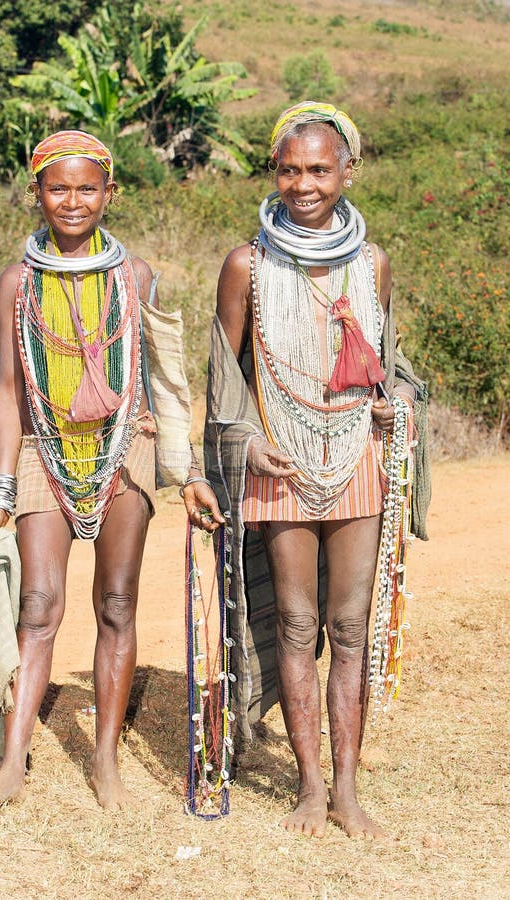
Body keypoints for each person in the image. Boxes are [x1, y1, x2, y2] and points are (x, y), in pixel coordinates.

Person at [0, 130, 223, 813]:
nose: (71, 202)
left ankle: (105, 760)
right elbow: (8, 389)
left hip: (121, 452)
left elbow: (164, 377)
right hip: (44, 448)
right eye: (56, 187)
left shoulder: (133, 276)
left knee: (116, 604)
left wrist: (181, 466)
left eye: (85, 188)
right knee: (39, 606)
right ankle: (12, 760)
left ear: (110, 192)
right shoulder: (17, 281)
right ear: (36, 194)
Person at [204, 102, 428, 838]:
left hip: (355, 456)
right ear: (275, 171)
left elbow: (385, 364)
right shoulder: (246, 264)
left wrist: (395, 397)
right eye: (290, 169)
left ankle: (347, 789)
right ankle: (306, 786)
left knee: (350, 625)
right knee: (298, 622)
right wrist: (242, 438)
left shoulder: (371, 264)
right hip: (279, 462)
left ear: (346, 172)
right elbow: (222, 378)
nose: (304, 184)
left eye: (319, 170)